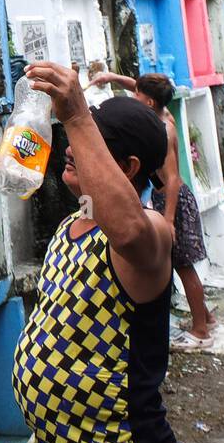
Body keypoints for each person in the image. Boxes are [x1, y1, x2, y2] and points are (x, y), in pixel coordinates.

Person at [13, 62, 196, 443]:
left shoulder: (151, 236)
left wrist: (74, 114)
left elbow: (130, 230)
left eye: (91, 140)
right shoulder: (74, 223)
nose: (70, 147)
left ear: (130, 168)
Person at [90, 69, 213, 348]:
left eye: (138, 95)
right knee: (177, 262)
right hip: (163, 201)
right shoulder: (155, 113)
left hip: (173, 201)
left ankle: (201, 330)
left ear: (148, 103)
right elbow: (141, 88)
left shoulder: (164, 129)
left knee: (183, 266)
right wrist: (110, 77)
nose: (133, 96)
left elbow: (172, 179)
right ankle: (205, 317)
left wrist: (168, 220)